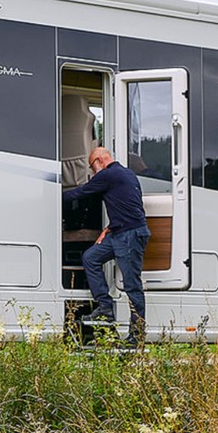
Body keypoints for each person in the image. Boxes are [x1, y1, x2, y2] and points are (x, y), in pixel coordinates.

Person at [62, 146, 152, 346]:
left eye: (92, 168)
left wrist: (54, 196)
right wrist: (109, 228)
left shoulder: (108, 175)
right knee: (91, 257)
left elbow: (81, 192)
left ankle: (136, 337)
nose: (93, 174)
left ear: (99, 162)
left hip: (129, 235)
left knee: (132, 286)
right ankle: (105, 306)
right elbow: (130, 206)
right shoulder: (127, 175)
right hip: (120, 231)